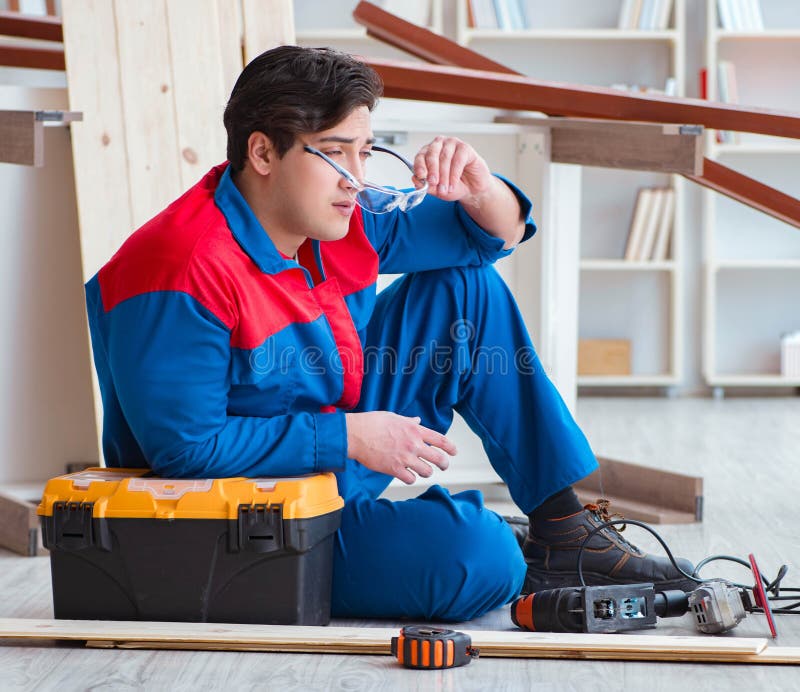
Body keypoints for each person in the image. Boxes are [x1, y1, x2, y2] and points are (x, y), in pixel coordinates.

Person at [85, 45, 694, 622]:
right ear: (263, 153)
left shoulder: (340, 215)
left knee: (465, 289)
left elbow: (493, 236)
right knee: (478, 558)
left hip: (327, 445)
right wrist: (350, 436)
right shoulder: (178, 267)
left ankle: (562, 530)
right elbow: (186, 454)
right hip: (238, 518)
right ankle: (488, 546)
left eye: (366, 152)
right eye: (336, 153)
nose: (356, 178)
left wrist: (481, 187)